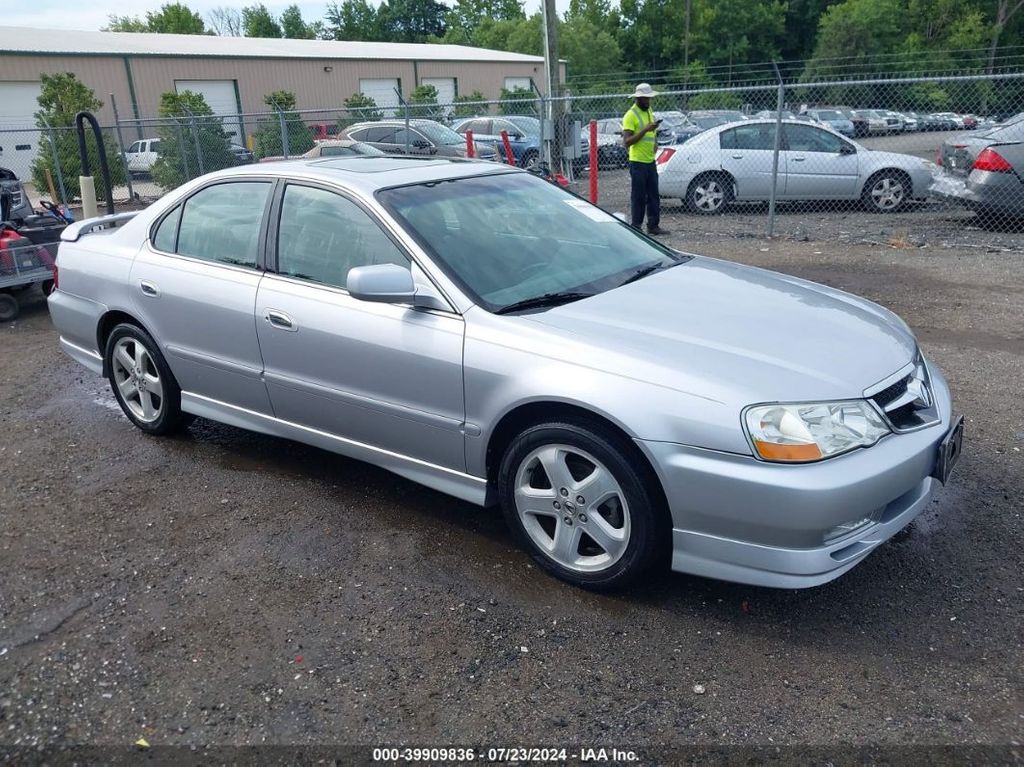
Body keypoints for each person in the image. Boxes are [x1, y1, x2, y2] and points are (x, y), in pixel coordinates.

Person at [621, 83, 670, 235]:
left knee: (653, 194)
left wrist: (654, 141)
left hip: (649, 160)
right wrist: (645, 130)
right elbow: (627, 142)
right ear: (638, 98)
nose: (648, 101)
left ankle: (653, 225)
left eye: (650, 98)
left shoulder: (648, 110)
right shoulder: (630, 115)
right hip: (637, 162)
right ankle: (636, 226)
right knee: (639, 196)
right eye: (646, 98)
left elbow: (651, 132)